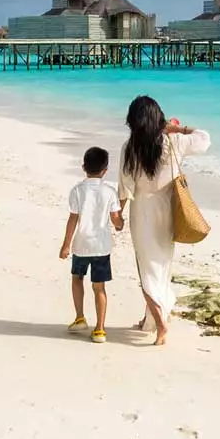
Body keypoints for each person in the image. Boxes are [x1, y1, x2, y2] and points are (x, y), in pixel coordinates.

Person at [117, 95, 210, 346]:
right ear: (158, 118)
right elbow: (204, 139)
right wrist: (177, 127)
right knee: (161, 266)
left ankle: (160, 324)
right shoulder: (174, 142)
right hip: (166, 211)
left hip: (142, 210)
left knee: (146, 268)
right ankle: (150, 320)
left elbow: (125, 187)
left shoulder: (129, 148)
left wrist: (117, 215)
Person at [59, 146, 123, 343]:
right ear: (105, 170)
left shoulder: (77, 191)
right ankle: (100, 329)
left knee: (77, 278)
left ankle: (80, 317)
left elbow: (73, 219)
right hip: (101, 247)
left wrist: (65, 245)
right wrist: (121, 224)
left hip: (81, 244)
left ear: (83, 167)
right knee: (99, 287)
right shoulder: (110, 192)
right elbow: (115, 220)